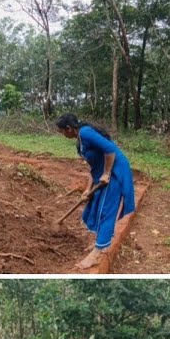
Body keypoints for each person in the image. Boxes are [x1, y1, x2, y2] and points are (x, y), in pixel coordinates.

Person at [55, 114, 137, 270]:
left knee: (106, 211)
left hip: (115, 172)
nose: (62, 135)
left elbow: (110, 150)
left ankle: (97, 253)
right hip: (102, 173)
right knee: (95, 207)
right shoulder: (79, 142)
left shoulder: (85, 132)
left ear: (68, 129)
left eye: (62, 132)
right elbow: (93, 167)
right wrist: (88, 189)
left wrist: (106, 173)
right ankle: (100, 244)